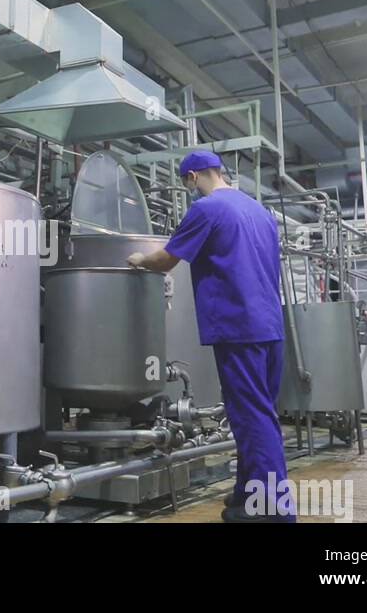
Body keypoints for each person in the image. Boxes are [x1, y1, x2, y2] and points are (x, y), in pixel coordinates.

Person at [127, 150, 293, 523]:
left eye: (188, 181)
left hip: (238, 327)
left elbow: (168, 259)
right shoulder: (260, 212)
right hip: (269, 326)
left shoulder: (207, 209)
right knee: (254, 414)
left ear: (193, 177)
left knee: (253, 419)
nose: (189, 188)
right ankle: (246, 499)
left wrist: (139, 260)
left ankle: (273, 510)